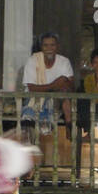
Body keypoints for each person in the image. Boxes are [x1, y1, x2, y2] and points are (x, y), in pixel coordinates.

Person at [21, 31, 74, 165]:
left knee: (65, 99)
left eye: (52, 45)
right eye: (46, 45)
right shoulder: (33, 60)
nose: (49, 48)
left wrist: (59, 85)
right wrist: (54, 85)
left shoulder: (64, 62)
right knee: (28, 119)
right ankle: (29, 161)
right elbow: (32, 88)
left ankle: (69, 125)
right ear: (41, 47)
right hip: (34, 99)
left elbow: (69, 86)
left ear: (57, 46)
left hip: (56, 101)